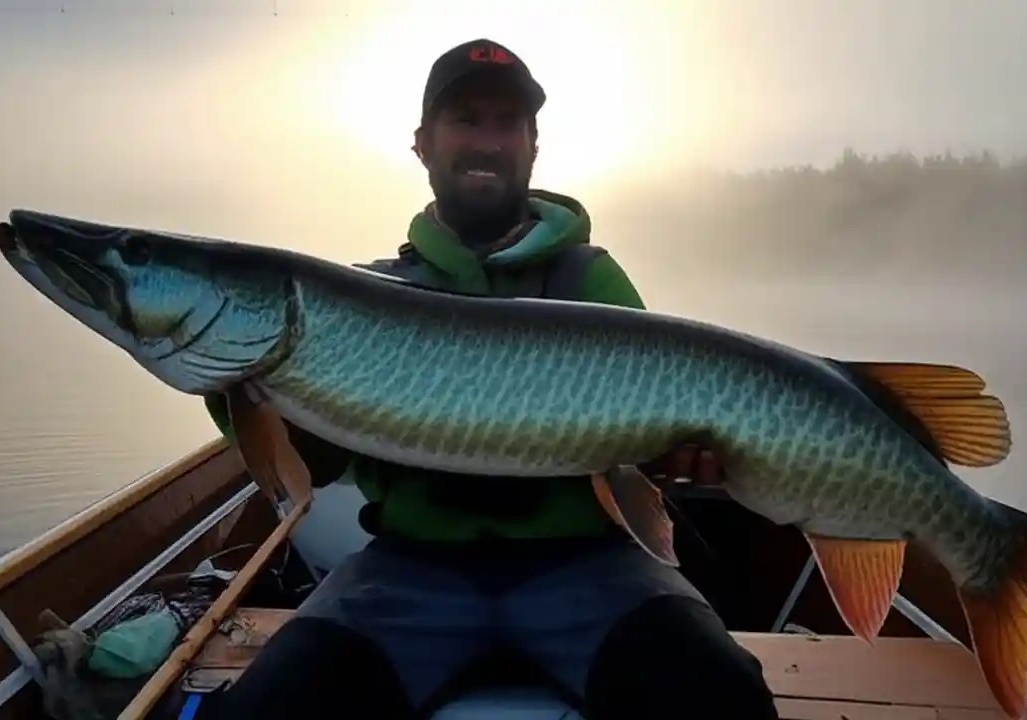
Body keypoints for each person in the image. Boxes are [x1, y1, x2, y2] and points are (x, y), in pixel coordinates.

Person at [197, 38, 780, 720]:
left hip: (588, 566)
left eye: (507, 124)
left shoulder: (588, 278)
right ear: (423, 142)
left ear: (533, 144)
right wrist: (240, 385)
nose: (488, 141)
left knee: (720, 694)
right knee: (269, 706)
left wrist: (680, 458)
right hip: (409, 571)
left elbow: (650, 433)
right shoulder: (370, 297)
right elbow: (315, 465)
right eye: (466, 119)